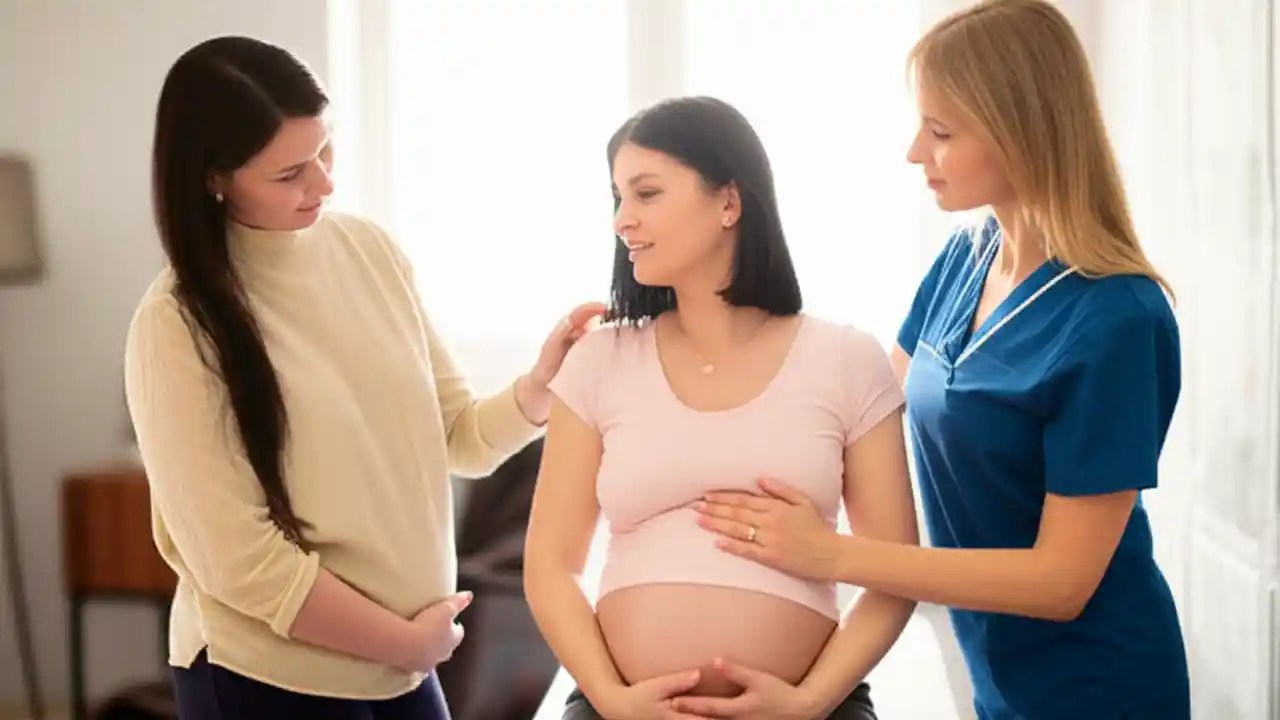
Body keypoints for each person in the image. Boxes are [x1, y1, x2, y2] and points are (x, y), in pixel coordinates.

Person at [694, 2, 1191, 718]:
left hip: (1100, 687)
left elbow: (1062, 581)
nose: (914, 152)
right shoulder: (967, 257)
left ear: (1021, 130)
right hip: (994, 676)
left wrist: (828, 553)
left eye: (941, 131)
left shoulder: (1119, 319)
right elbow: (874, 414)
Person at [124, 36, 601, 719]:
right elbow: (239, 561)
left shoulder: (369, 252)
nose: (323, 183)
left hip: (402, 667)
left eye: (326, 151)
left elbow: (458, 435)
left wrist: (541, 386)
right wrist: (403, 641)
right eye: (289, 174)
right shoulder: (174, 326)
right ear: (214, 178)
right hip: (268, 679)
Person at [524, 96, 920, 720]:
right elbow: (549, 566)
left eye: (646, 193)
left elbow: (896, 572)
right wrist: (612, 699)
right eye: (618, 197)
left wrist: (810, 702)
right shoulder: (600, 361)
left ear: (729, 202)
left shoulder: (846, 358)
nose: (622, 219)